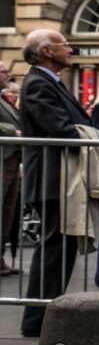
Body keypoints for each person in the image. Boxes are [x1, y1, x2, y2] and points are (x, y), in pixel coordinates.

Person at [18, 29, 92, 337]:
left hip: (60, 176)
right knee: (53, 248)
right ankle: (38, 320)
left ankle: (49, 315)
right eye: (64, 44)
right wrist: (90, 139)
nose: (70, 48)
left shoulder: (49, 81)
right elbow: (60, 129)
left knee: (60, 248)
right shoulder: (37, 83)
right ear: (47, 51)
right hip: (52, 177)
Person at [0, 61, 21, 275]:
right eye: (4, 71)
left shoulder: (4, 97)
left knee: (8, 210)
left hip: (12, 158)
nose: (8, 74)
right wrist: (11, 132)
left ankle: (1, 258)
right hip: (3, 157)